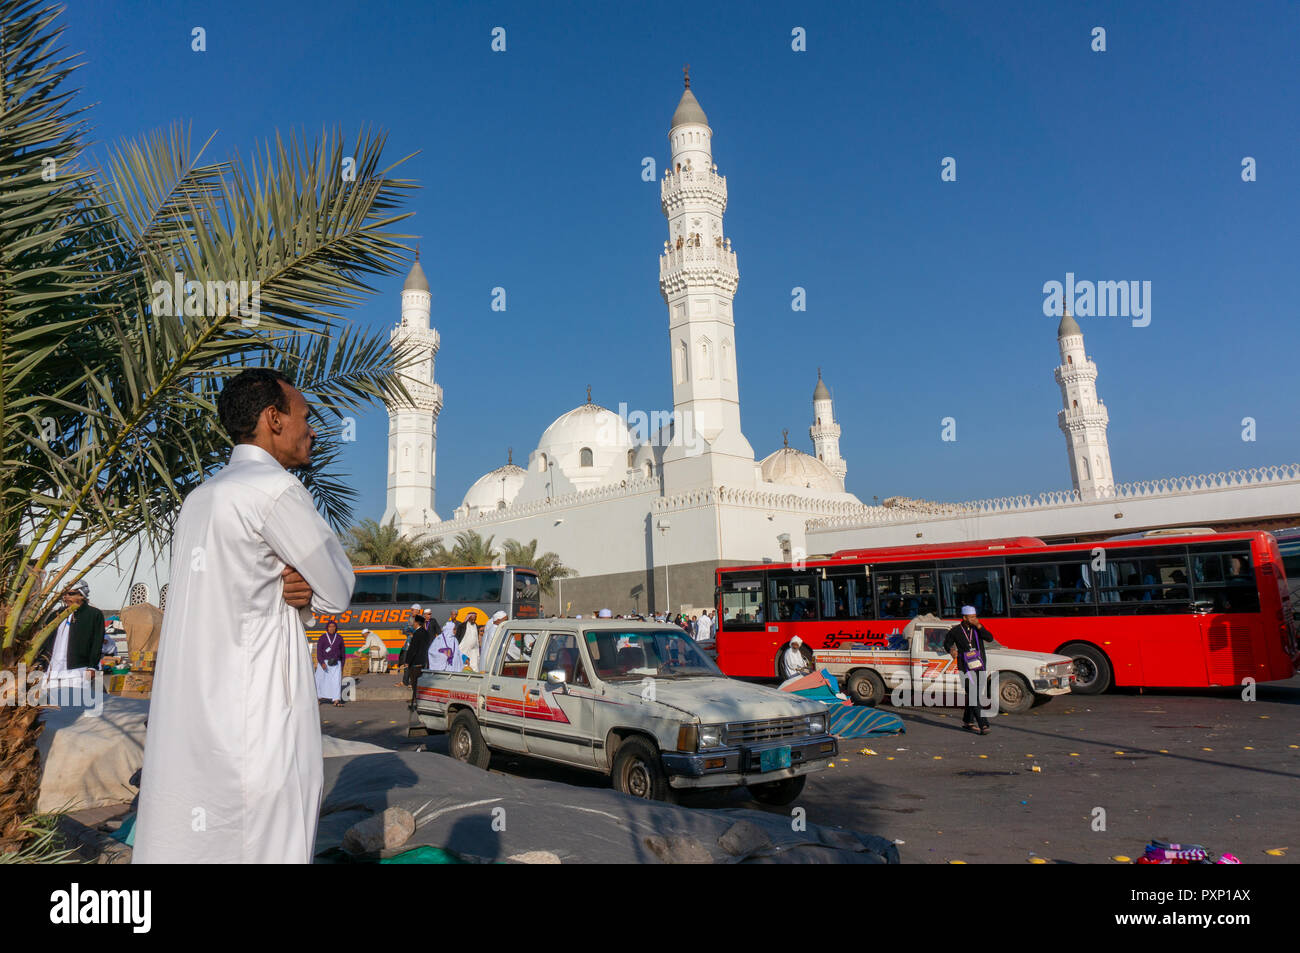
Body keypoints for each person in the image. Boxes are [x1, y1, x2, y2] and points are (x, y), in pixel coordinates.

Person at [133, 368, 355, 864]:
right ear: (273, 419)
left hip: (191, 721)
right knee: (265, 841)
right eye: (304, 416)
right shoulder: (275, 491)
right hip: (258, 721)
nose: (312, 430)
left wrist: (298, 589)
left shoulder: (199, 499)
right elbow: (338, 589)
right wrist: (306, 590)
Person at [38, 581, 106, 703]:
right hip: (51, 670)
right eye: (65, 594)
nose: (66, 597)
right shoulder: (56, 614)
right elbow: (44, 638)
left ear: (82, 595)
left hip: (77, 671)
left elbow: (97, 642)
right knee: (48, 708)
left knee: (75, 706)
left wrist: (92, 667)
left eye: (71, 593)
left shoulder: (94, 615)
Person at [944, 606, 992, 734]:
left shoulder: (978, 629)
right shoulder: (955, 631)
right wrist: (951, 650)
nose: (974, 619)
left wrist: (980, 626)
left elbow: (990, 638)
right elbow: (947, 643)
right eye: (971, 617)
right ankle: (984, 725)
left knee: (975, 695)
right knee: (973, 694)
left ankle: (968, 721)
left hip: (980, 665)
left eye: (975, 616)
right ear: (964, 618)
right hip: (965, 667)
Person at [315, 620, 345, 707]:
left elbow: (343, 652)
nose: (332, 628)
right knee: (320, 680)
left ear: (336, 628)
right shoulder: (322, 637)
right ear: (327, 628)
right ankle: (318, 698)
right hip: (324, 662)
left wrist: (342, 664)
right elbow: (319, 651)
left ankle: (336, 700)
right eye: (330, 626)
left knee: (336, 681)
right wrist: (321, 662)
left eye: (333, 626)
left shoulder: (339, 638)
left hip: (336, 663)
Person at [395, 603, 423, 673]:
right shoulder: (410, 619)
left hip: (416, 644)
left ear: (417, 610)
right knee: (406, 660)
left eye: (412, 610)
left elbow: (419, 631)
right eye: (411, 610)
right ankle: (405, 680)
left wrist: (411, 632)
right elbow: (405, 629)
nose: (411, 611)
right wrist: (409, 632)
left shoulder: (421, 619)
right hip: (408, 643)